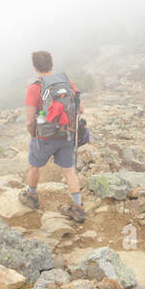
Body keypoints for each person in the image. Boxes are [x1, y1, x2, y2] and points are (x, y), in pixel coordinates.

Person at [19, 50, 85, 223]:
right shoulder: (67, 83)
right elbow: (81, 109)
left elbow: (28, 120)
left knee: (34, 166)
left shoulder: (35, 88)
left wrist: (34, 134)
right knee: (69, 171)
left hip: (44, 137)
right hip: (67, 134)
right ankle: (78, 208)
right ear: (52, 64)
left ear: (34, 68)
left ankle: (32, 196)